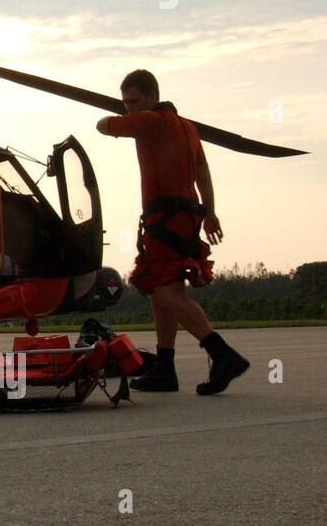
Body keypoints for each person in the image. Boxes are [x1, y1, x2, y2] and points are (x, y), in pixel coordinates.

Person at [96, 69, 249, 395]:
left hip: (166, 217)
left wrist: (123, 117)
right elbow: (203, 172)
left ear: (153, 97)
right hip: (184, 217)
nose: (129, 108)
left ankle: (222, 354)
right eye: (124, 103)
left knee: (167, 292)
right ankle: (165, 368)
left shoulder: (150, 121)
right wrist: (210, 211)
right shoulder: (188, 129)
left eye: (134, 101)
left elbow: (103, 126)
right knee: (157, 289)